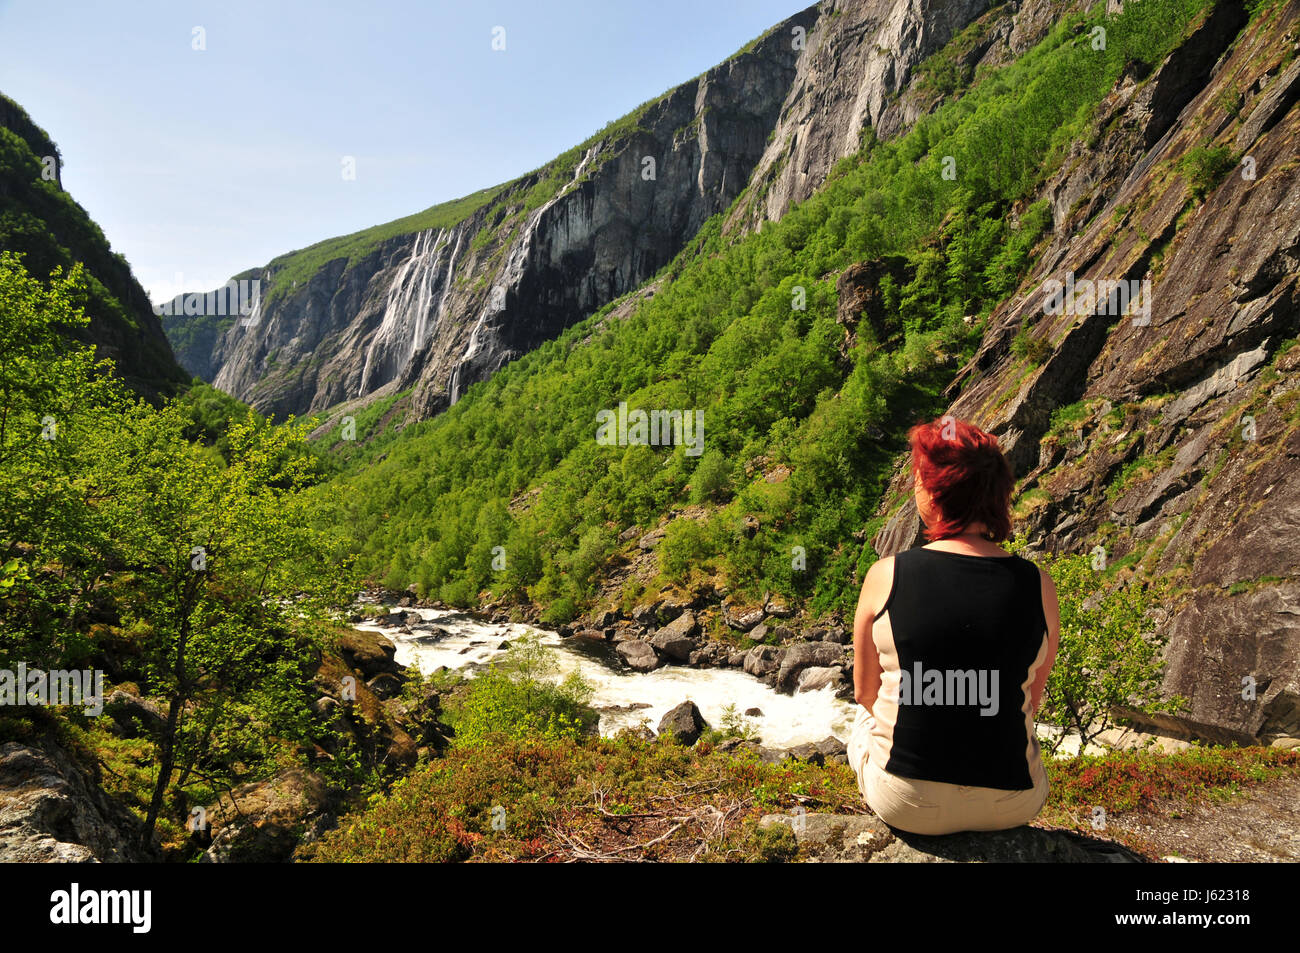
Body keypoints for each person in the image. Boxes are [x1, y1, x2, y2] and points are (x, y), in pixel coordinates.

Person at [846, 415, 1060, 835]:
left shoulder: (887, 574)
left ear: (935, 491)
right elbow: (1032, 699)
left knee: (861, 723)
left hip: (907, 802)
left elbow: (864, 692)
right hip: (1013, 803)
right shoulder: (1039, 584)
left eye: (919, 479)